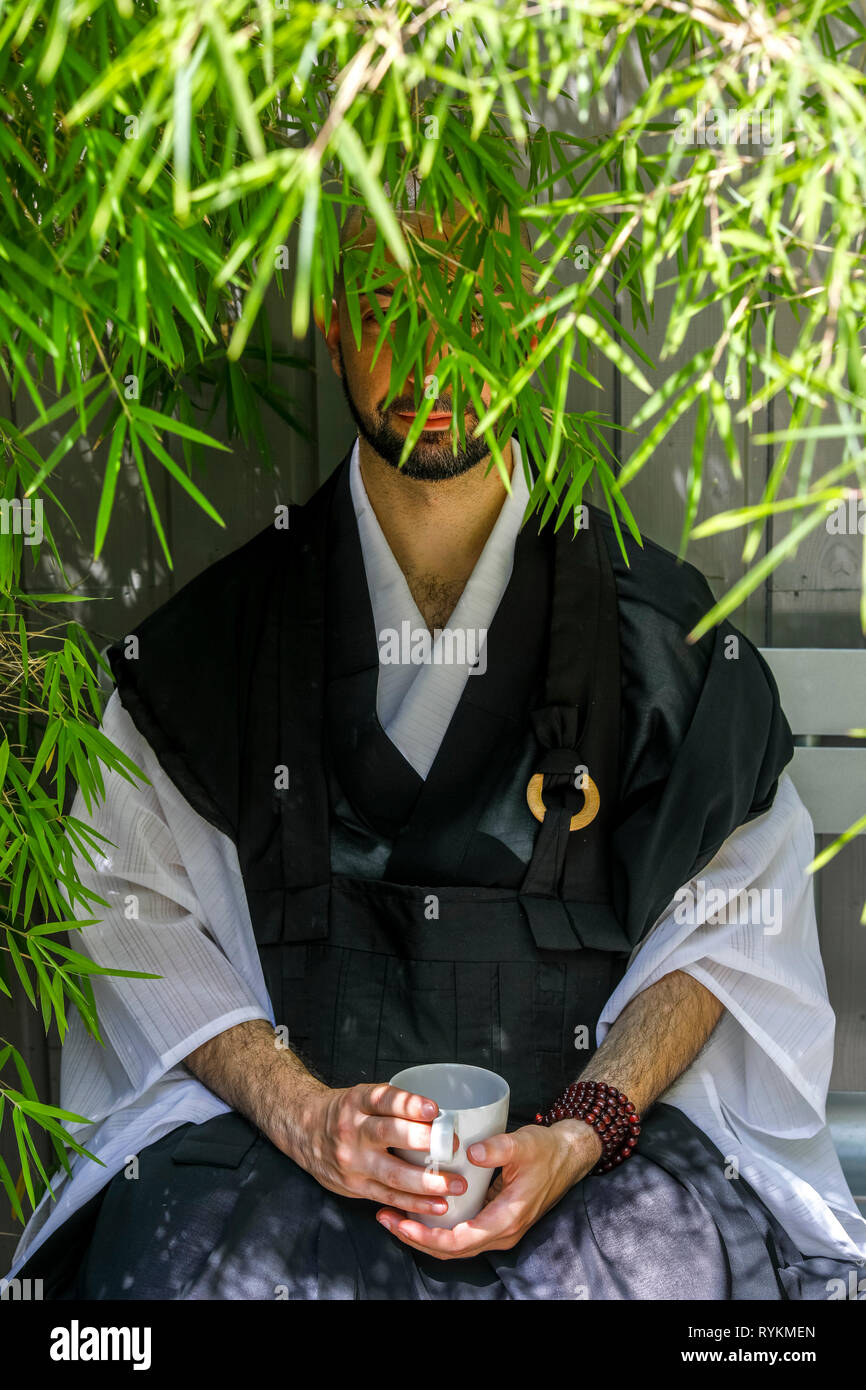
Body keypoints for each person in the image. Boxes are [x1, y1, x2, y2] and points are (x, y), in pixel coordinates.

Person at [7, 186, 866, 1301]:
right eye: (382, 293)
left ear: (535, 314)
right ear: (325, 315)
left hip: (587, 1173)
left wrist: (581, 1128)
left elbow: (728, 924)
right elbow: (132, 909)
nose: (432, 342)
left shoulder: (661, 642)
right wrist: (307, 1115)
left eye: (472, 295)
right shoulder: (219, 646)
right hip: (284, 1173)